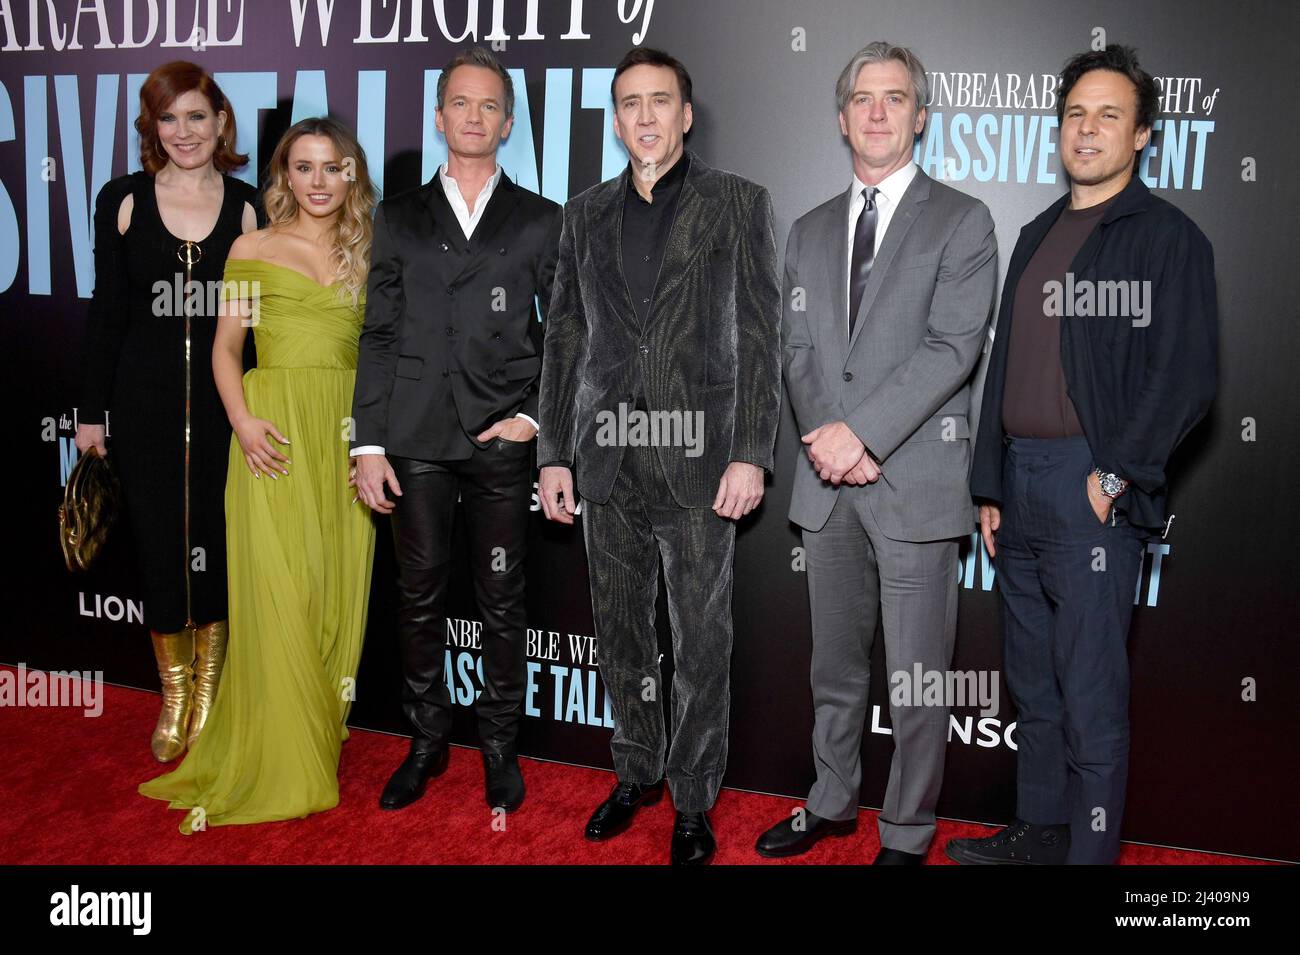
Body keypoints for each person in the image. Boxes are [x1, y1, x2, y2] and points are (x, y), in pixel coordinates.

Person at [946, 45, 1217, 865]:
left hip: (1089, 488)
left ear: (1141, 136)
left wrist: (1114, 474)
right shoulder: (1035, 232)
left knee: (1092, 693)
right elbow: (1003, 367)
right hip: (1019, 487)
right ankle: (1041, 830)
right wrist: (989, 483)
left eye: (1108, 115)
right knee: (1034, 684)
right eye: (1074, 114)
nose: (1087, 129)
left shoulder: (1168, 238)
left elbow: (1186, 375)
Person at [537, 47, 782, 865]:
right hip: (604, 458)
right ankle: (635, 768)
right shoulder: (583, 215)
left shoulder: (737, 204)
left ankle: (692, 797)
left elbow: (758, 334)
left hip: (699, 461)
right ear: (616, 119)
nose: (644, 117)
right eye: (629, 103)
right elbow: (565, 338)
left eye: (660, 101)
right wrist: (554, 452)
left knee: (701, 639)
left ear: (686, 113)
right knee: (621, 634)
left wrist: (750, 452)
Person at [754, 42, 998, 865]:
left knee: (919, 680)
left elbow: (952, 346)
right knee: (834, 669)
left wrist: (863, 434)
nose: (879, 111)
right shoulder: (811, 228)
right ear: (842, 116)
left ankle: (907, 830)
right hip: (830, 487)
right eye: (864, 97)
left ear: (921, 116)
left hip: (916, 482)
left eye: (896, 97)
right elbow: (795, 350)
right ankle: (830, 801)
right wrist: (831, 440)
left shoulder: (962, 220)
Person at [138, 117, 378, 832]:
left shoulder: (370, 254)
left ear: (352, 176)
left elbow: (390, 351)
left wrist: (369, 440)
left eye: (333, 167)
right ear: (283, 177)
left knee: (336, 592)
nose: (318, 181)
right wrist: (241, 421)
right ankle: (282, 751)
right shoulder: (250, 247)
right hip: (271, 433)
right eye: (303, 167)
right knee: (282, 589)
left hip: (345, 433)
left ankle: (318, 724)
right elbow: (224, 348)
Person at [350, 47, 561, 815]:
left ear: (508, 122)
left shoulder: (541, 218)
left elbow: (565, 334)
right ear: (440, 118)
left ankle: (500, 749)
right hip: (412, 438)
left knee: (503, 598)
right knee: (418, 596)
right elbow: (379, 333)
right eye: (460, 104)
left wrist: (533, 418)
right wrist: (366, 442)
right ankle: (427, 742)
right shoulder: (399, 215)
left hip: (499, 441)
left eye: (489, 106)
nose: (474, 117)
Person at [75, 61, 258, 763]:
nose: (184, 132)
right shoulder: (122, 200)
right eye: (169, 118)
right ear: (152, 128)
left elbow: (259, 327)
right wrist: (91, 412)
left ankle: (209, 693)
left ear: (220, 122)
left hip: (225, 411)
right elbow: (106, 315)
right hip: (142, 407)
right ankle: (175, 693)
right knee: (158, 548)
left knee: (215, 539)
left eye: (197, 116)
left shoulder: (248, 206)